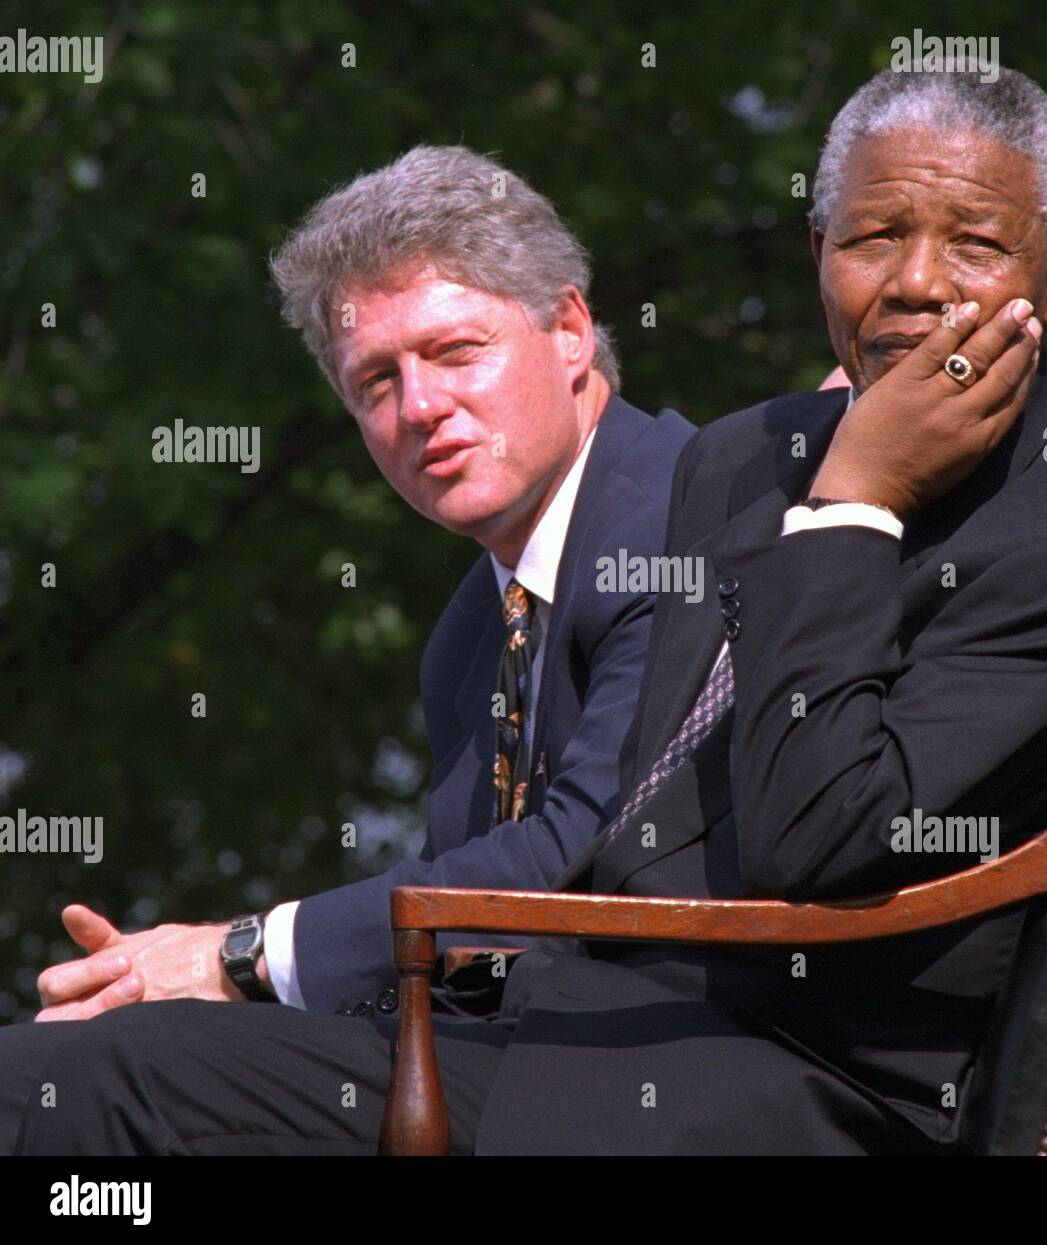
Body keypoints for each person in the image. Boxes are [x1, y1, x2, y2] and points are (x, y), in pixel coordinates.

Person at [0, 145, 694, 1153]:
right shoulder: (470, 627)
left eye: (455, 351)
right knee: (73, 1068)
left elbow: (579, 856)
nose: (418, 407)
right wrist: (199, 995)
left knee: (80, 1085)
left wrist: (238, 959)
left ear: (572, 331)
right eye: (377, 379)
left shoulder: (681, 512)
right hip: (506, 1052)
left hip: (661, 1069)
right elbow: (463, 911)